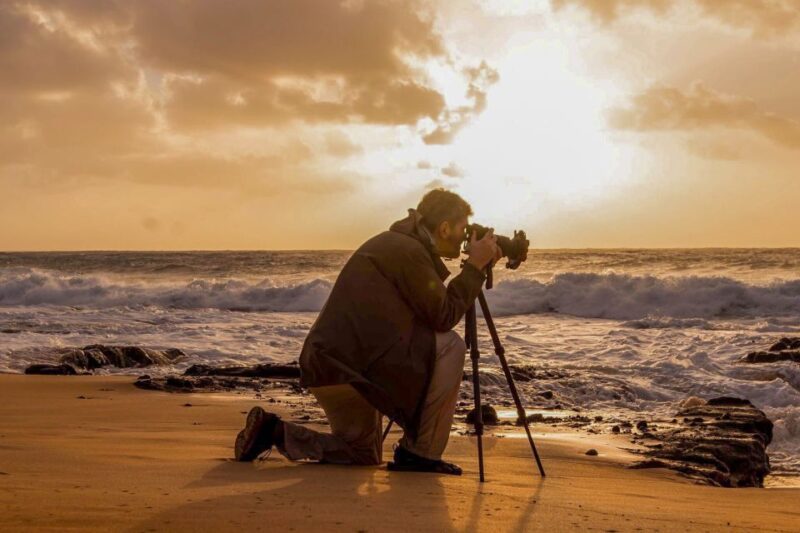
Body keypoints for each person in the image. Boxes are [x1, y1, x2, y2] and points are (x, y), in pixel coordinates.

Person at [234, 189, 500, 475]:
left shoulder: (394, 243)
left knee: (362, 453)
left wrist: (475, 268)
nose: (464, 239)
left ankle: (273, 431)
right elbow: (444, 316)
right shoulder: (409, 252)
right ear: (444, 228)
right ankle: (421, 453)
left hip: (328, 365)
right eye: (462, 230)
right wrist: (474, 268)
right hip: (354, 370)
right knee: (452, 346)